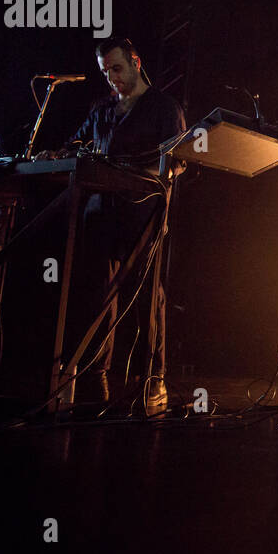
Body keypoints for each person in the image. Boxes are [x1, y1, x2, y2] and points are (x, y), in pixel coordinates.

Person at [38, 38, 186, 415]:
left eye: (117, 69)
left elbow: (177, 161)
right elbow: (79, 143)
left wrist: (137, 173)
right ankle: (92, 378)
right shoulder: (102, 107)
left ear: (136, 62)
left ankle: (152, 381)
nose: (112, 78)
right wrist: (58, 153)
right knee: (94, 296)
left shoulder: (164, 108)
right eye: (106, 72)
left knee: (145, 299)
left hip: (141, 215)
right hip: (99, 213)